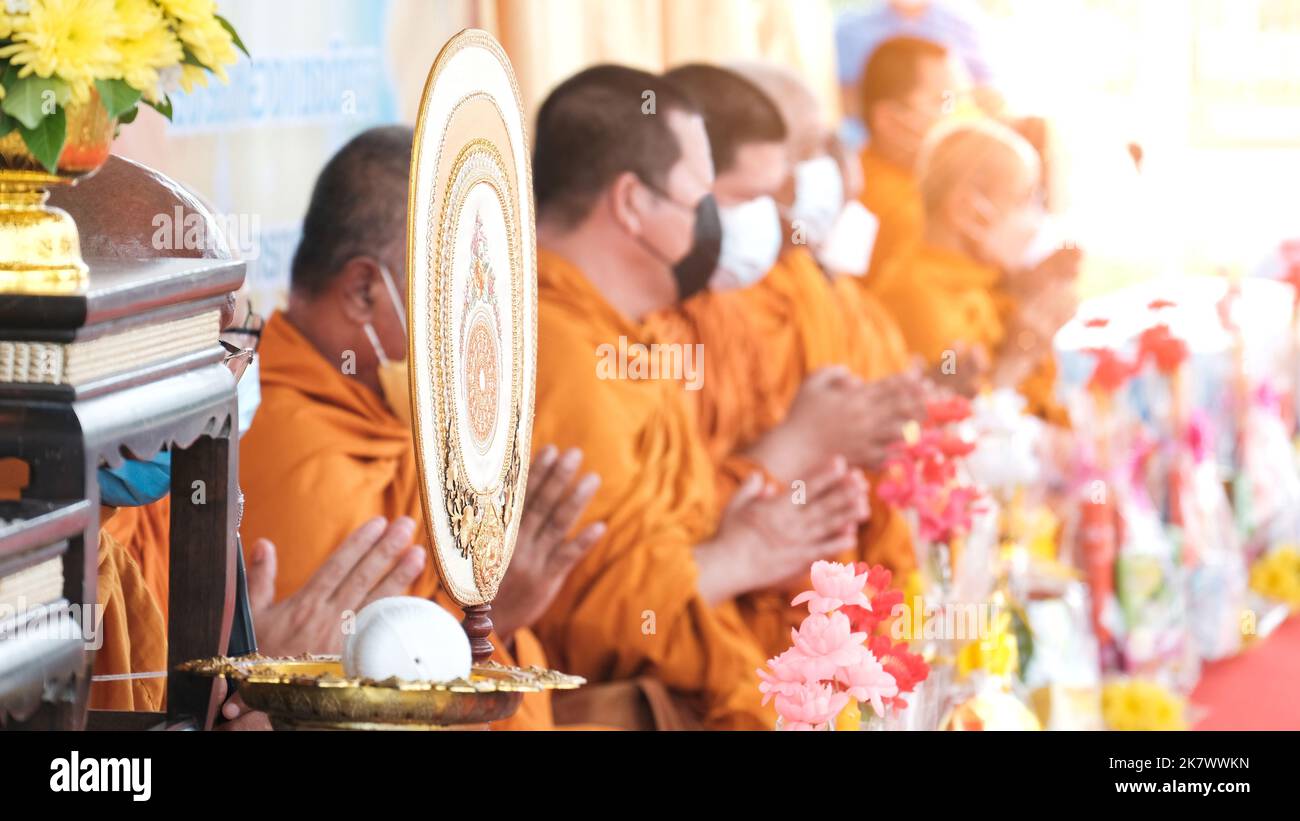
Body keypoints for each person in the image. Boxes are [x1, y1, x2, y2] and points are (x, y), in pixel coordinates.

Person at [530, 65, 871, 729]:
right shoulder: (561, 351)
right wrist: (736, 556)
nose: (717, 222)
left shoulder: (632, 333)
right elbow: (585, 623)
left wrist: (743, 530)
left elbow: (662, 540)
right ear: (631, 203)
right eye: (702, 197)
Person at [237, 126, 606, 730]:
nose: (479, 331)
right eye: (455, 299)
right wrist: (487, 617)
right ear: (362, 290)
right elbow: (355, 711)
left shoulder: (390, 415)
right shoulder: (300, 453)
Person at [875, 118, 1079, 420]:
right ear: (968, 211)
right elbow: (957, 439)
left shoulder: (983, 283)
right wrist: (1014, 360)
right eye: (1025, 199)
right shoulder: (920, 301)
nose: (1036, 218)